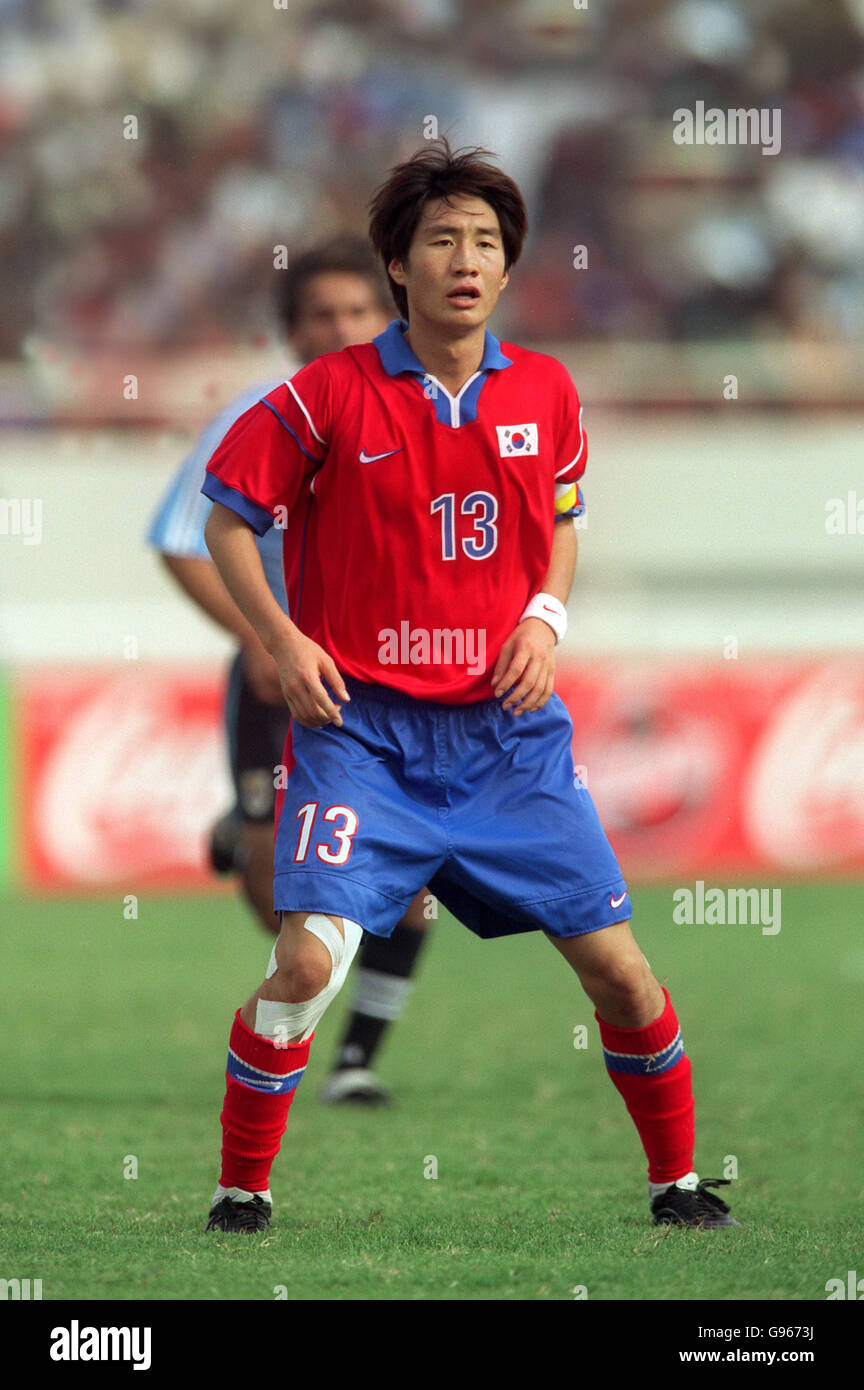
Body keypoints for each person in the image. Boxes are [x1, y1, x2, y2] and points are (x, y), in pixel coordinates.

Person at [201, 140, 737, 1234]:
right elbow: (226, 518)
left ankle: (678, 1185)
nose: (466, 259)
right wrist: (283, 635)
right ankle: (240, 1192)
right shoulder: (324, 394)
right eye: (441, 239)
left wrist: (547, 613)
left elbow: (566, 526)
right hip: (361, 733)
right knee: (305, 960)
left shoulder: (546, 389)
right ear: (398, 265)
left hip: (509, 740)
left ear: (507, 266)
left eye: (487, 243)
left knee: (624, 977)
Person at [148, 237, 432, 1105]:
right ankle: (252, 846)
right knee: (282, 878)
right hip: (284, 684)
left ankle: (355, 1062)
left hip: (394, 685)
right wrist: (266, 639)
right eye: (322, 314)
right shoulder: (254, 414)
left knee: (411, 881)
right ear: (291, 330)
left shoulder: (428, 412)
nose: (341, 327)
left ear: (386, 318)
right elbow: (181, 541)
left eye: (357, 311)